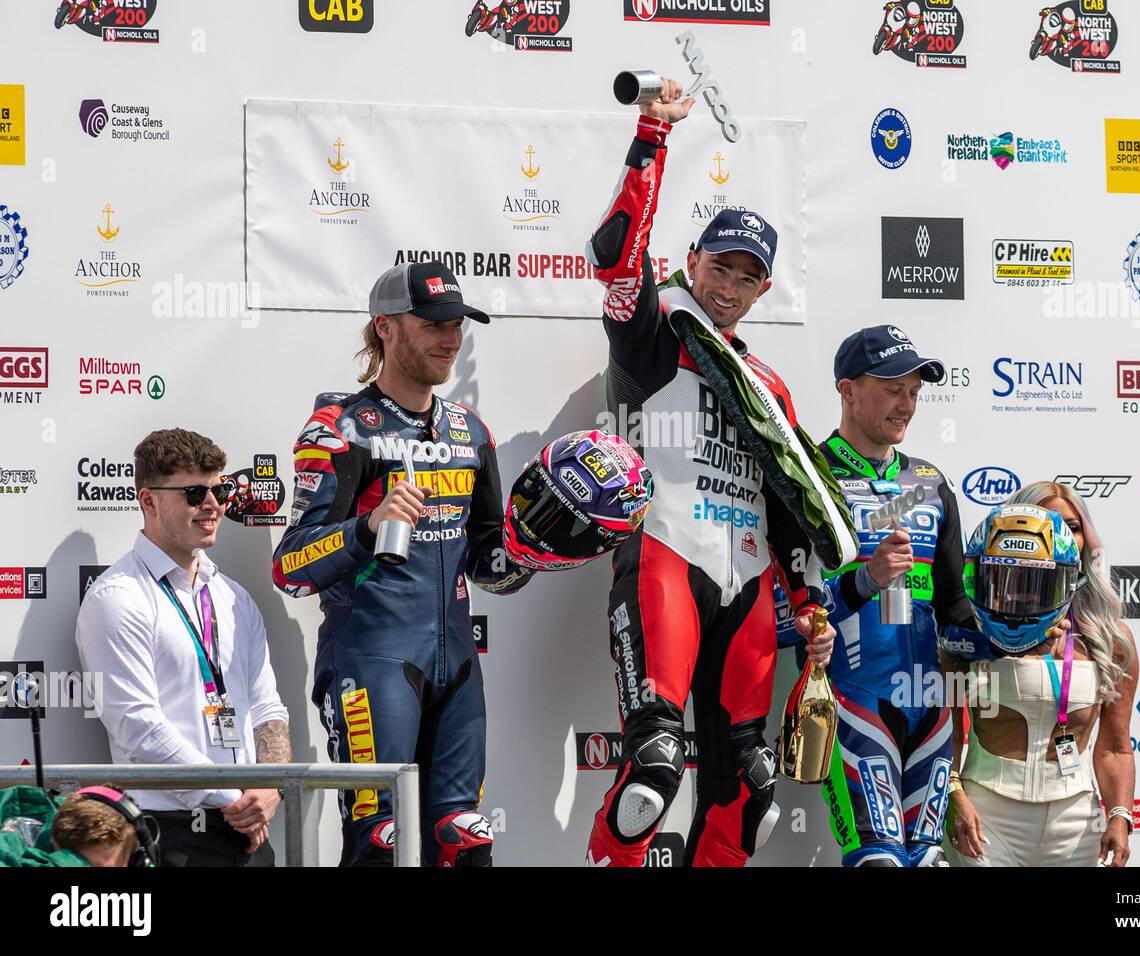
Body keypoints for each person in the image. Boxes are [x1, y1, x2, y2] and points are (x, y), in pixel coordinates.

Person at [583, 76, 836, 867]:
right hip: (665, 554)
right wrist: (652, 136)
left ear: (763, 290)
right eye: (718, 267)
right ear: (692, 261)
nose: (727, 287)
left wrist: (812, 606)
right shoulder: (656, 332)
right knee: (654, 768)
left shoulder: (771, 387)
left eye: (746, 277)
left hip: (751, 583)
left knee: (752, 792)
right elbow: (614, 252)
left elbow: (794, 508)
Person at [272, 259, 535, 867]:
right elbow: (291, 566)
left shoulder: (472, 434)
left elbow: (487, 558)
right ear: (384, 328)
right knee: (382, 848)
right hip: (371, 662)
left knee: (464, 846)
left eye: (457, 324)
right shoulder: (340, 430)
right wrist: (367, 527)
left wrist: (536, 551)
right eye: (433, 323)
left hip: (458, 667)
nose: (450, 338)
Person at [776, 326, 977, 866]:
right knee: (878, 861)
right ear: (847, 390)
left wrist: (1006, 635)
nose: (906, 405)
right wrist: (865, 581)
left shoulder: (932, 483)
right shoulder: (810, 479)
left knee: (927, 861)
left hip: (930, 706)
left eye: (914, 391)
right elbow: (782, 611)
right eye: (893, 389)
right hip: (852, 699)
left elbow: (956, 607)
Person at [76, 428, 291, 867]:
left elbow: (267, 707)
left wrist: (270, 787)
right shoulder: (117, 597)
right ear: (149, 501)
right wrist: (235, 799)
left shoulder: (234, 597)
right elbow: (138, 730)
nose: (212, 505)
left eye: (220, 489)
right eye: (194, 493)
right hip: (171, 834)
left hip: (250, 834)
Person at [942, 484, 1138, 867]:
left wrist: (1120, 815)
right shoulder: (971, 631)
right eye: (1052, 523)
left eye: (1073, 526)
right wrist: (954, 797)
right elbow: (946, 735)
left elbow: (1115, 746)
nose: (1066, 535)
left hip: (1077, 823)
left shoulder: (1111, 638)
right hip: (986, 818)